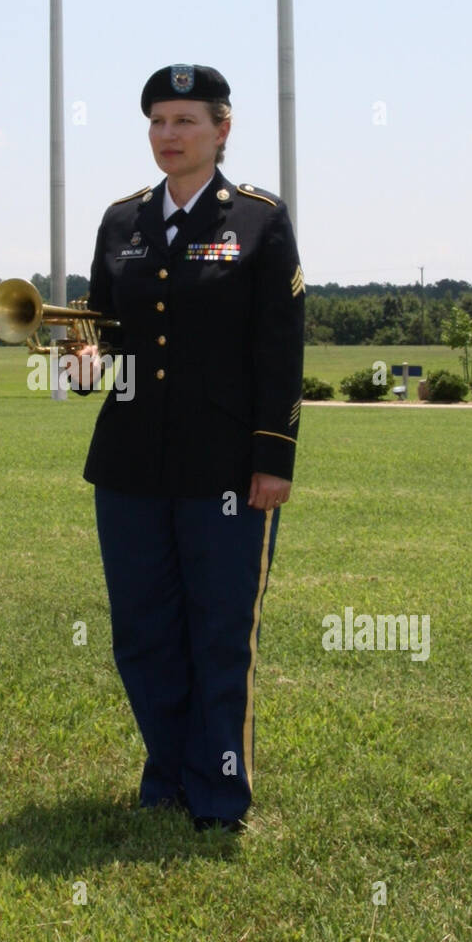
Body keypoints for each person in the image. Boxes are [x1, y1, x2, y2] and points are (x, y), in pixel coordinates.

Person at [71, 63, 305, 833]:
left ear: (222, 130)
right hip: (131, 466)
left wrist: (273, 458)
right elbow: (102, 332)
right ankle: (166, 778)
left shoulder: (261, 223)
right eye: (157, 123)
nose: (167, 137)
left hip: (228, 472)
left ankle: (219, 794)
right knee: (142, 632)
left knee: (219, 633)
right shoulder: (120, 222)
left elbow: (281, 349)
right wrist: (81, 366)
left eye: (185, 122)